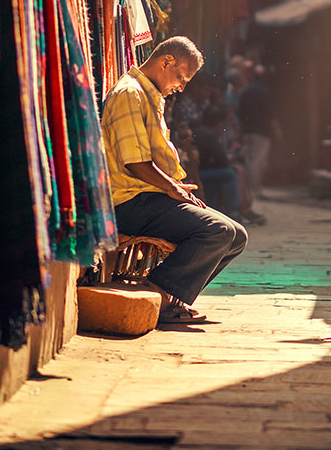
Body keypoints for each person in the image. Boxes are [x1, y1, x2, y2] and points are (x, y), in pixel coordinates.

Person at [101, 37, 247, 325]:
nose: (181, 86)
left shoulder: (149, 96)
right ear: (166, 61)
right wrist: (171, 186)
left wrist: (173, 187)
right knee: (217, 232)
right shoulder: (130, 94)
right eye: (181, 77)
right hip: (131, 202)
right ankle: (158, 295)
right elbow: (135, 162)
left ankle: (172, 297)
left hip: (150, 198)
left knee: (237, 236)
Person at [238, 63, 278, 199]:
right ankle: (255, 190)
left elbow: (240, 112)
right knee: (258, 161)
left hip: (248, 131)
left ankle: (249, 189)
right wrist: (276, 129)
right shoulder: (264, 92)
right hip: (261, 131)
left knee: (250, 160)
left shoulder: (246, 92)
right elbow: (270, 113)